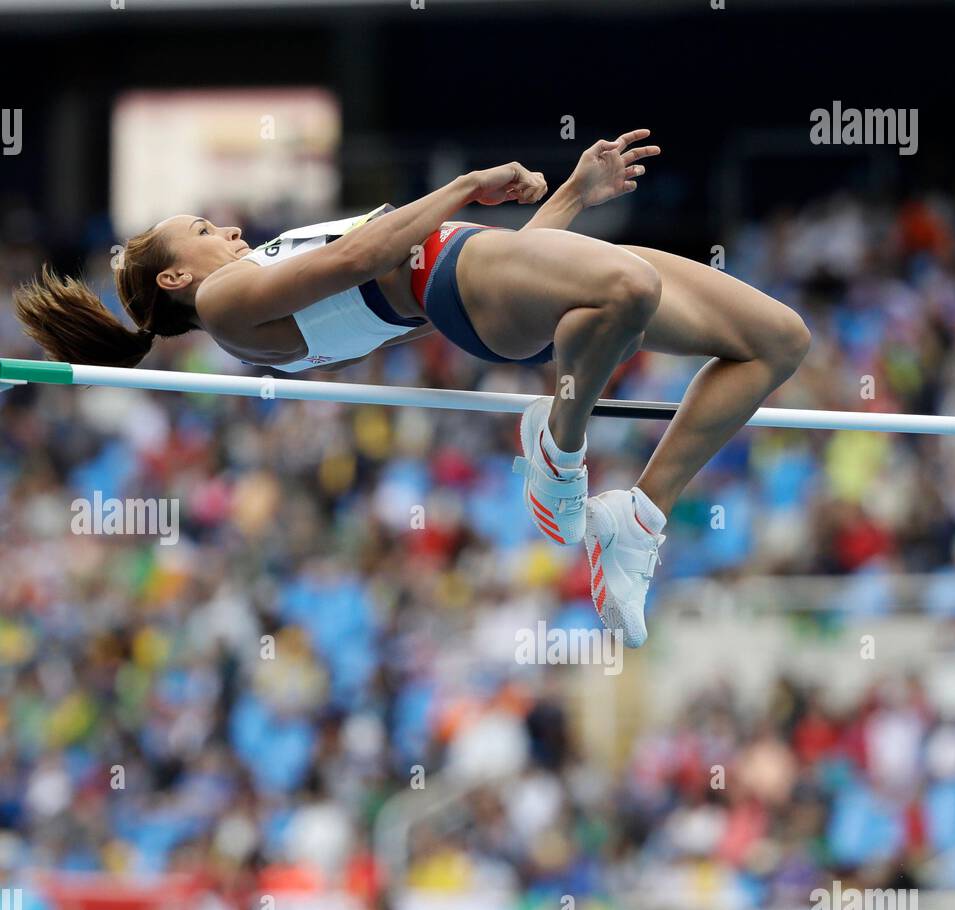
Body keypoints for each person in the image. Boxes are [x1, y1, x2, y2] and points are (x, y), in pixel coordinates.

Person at [14, 131, 809, 647]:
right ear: (179, 274)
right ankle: (558, 451)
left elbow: (510, 279)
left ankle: (636, 517)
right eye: (201, 231)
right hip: (454, 274)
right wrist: (465, 183)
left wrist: (573, 194)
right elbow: (362, 259)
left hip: (473, 274)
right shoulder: (226, 305)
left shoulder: (258, 271)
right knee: (623, 292)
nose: (225, 229)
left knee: (775, 341)